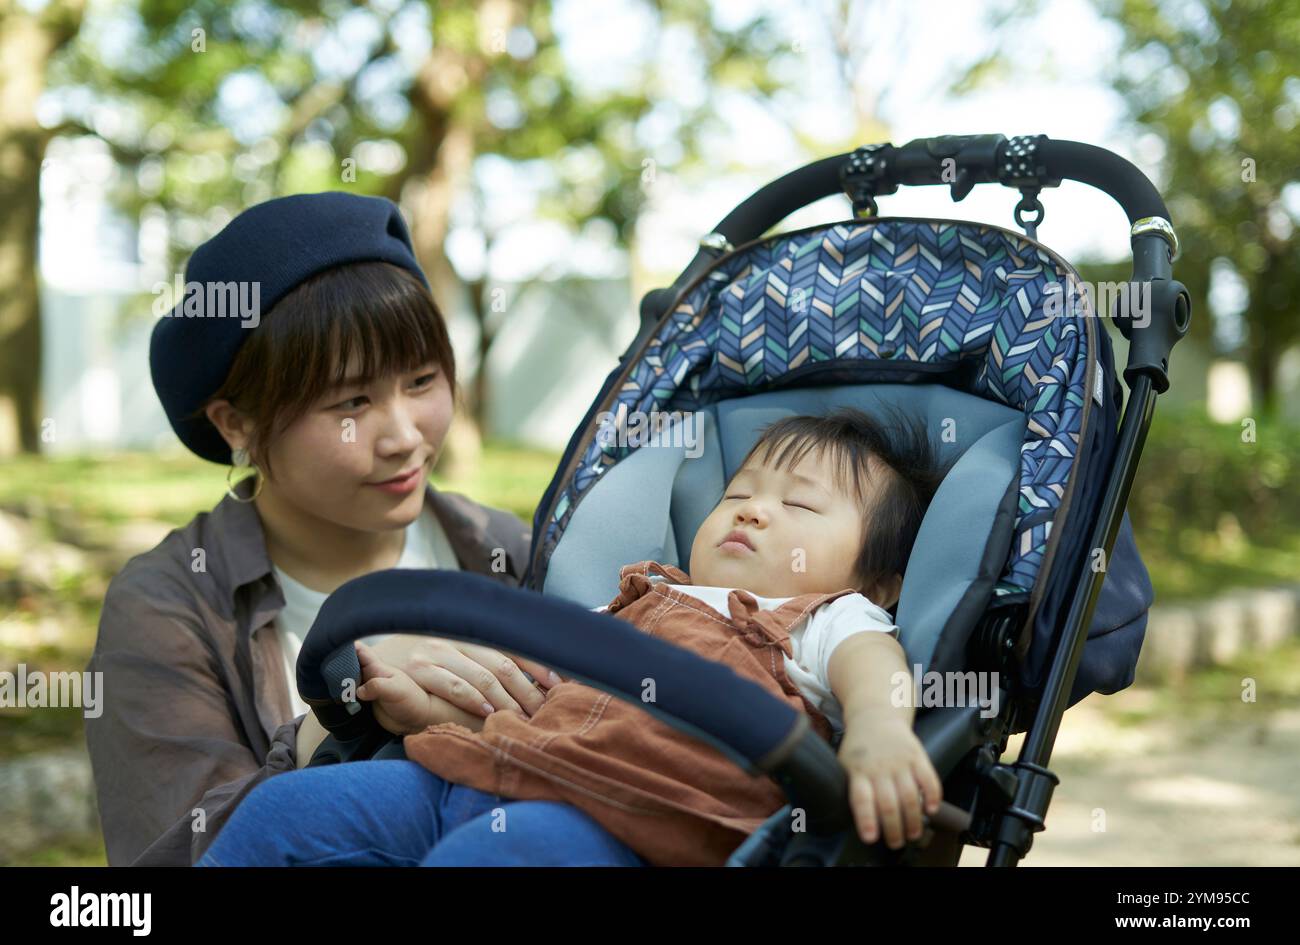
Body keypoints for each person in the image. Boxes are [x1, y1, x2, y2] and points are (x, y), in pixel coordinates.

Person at [86, 192, 627, 866]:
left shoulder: (513, 553)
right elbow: (171, 851)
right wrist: (341, 714)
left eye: (423, 380)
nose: (404, 438)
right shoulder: (168, 606)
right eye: (351, 402)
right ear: (238, 425)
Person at [194, 407, 950, 867]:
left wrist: (879, 731)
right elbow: (537, 690)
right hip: (479, 775)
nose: (752, 513)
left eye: (800, 507)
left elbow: (874, 664)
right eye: (739, 494)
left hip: (622, 829)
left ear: (876, 581)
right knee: (281, 814)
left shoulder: (827, 618)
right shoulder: (638, 600)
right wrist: (437, 706)